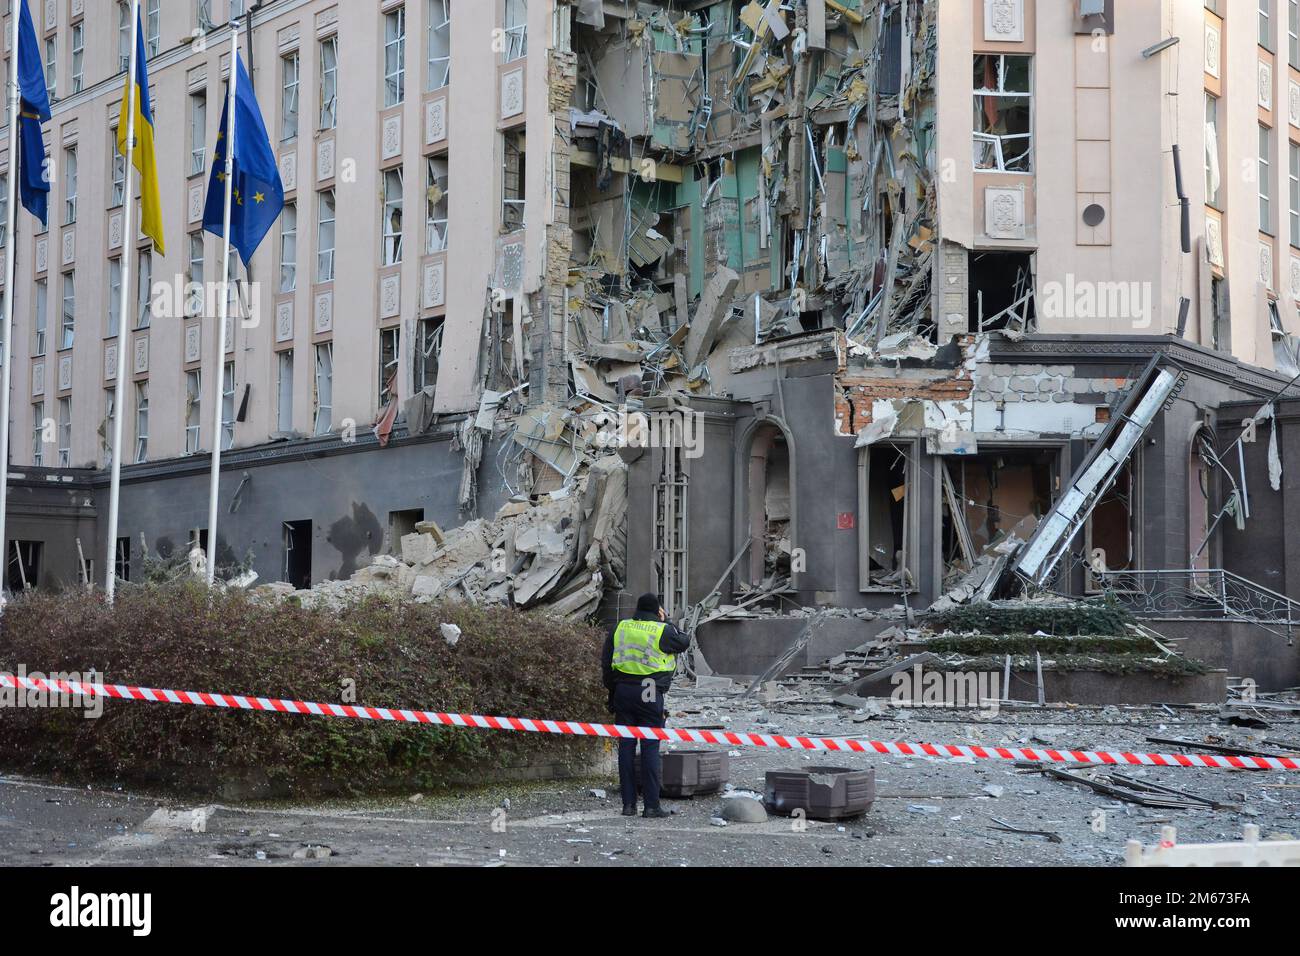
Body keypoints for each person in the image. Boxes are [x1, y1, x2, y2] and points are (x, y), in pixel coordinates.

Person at [602, 592, 690, 818]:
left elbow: (606, 662)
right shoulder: (662, 629)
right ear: (657, 611)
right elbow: (684, 641)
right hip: (650, 689)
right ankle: (651, 806)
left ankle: (628, 805)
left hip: (623, 690)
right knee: (650, 747)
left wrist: (613, 693)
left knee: (626, 748)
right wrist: (666, 620)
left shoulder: (621, 627)